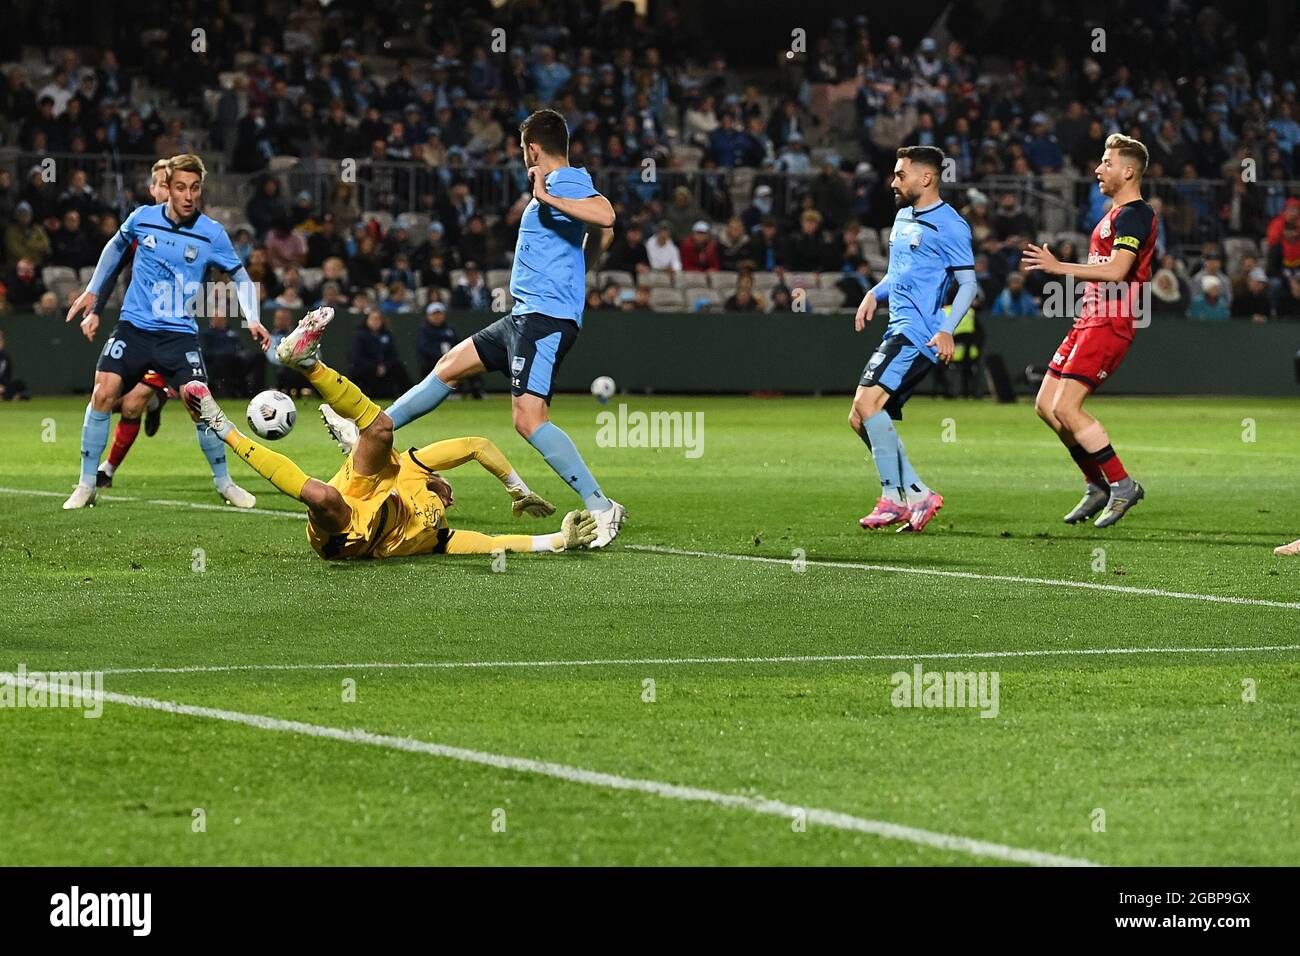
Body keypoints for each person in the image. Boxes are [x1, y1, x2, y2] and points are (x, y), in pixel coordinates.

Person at [334, 108, 625, 548]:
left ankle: (601, 505)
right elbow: (603, 237)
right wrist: (578, 269)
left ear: (531, 148)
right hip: (524, 315)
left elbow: (606, 217)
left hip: (544, 319)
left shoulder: (562, 180)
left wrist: (546, 200)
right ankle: (374, 428)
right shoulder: (558, 183)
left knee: (529, 420)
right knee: (450, 365)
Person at [181, 308, 597, 559]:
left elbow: (490, 542)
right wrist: (516, 488)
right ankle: (307, 364)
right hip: (362, 486)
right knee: (382, 428)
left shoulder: (437, 535)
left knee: (322, 495)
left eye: (446, 496)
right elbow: (477, 446)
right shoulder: (417, 468)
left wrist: (556, 540)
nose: (449, 496)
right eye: (445, 489)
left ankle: (224, 429)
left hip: (351, 539)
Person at [62, 153, 269, 509]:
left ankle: (224, 483)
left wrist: (251, 316)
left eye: (195, 188)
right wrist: (93, 291)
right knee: (103, 393)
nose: (188, 195)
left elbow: (238, 274)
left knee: (199, 402)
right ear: (167, 189)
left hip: (178, 335)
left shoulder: (211, 234)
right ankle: (86, 483)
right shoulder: (142, 219)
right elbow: (114, 249)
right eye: (180, 188)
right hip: (134, 328)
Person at [1022, 133, 1159, 528]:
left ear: (1128, 171)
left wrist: (1059, 268)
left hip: (1112, 319)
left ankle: (1122, 484)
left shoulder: (1135, 213)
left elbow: (1118, 270)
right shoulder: (1114, 213)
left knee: (1067, 407)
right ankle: (1097, 484)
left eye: (1107, 162)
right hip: (1089, 318)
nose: (1099, 169)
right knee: (1047, 406)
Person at [851, 145, 977, 533]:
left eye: (899, 174)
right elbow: (898, 274)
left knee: (867, 404)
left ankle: (893, 498)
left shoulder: (951, 225)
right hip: (897, 328)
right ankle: (919, 495)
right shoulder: (903, 217)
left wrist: (946, 328)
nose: (893, 181)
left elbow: (968, 284)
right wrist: (874, 293)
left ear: (926, 178)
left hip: (918, 334)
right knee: (860, 418)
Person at [348, 309, 412, 398]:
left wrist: (385, 367)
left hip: (384, 368)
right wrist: (375, 367)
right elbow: (356, 357)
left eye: (378, 319)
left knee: (399, 368)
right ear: (367, 320)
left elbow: (394, 356)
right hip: (366, 368)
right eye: (373, 319)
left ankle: (409, 396)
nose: (375, 322)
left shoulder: (387, 335)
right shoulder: (359, 335)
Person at [0, 330, 31, 400]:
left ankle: (9, 396)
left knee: (20, 384)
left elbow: (8, 376)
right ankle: (11, 397)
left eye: (1, 341)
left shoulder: (6, 357)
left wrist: (3, 386)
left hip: (4, 387)